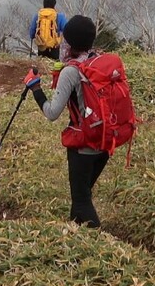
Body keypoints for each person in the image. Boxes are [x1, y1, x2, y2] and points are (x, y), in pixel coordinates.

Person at [24, 14, 111, 227]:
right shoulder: (100, 60)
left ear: (69, 42)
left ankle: (102, 243)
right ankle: (75, 233)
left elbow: (52, 113)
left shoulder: (71, 71)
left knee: (81, 201)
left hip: (84, 145)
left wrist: (35, 88)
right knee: (81, 195)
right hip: (106, 140)